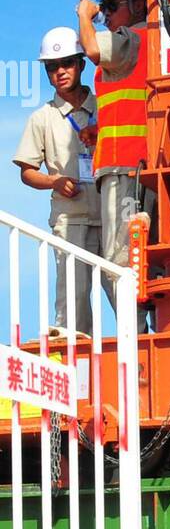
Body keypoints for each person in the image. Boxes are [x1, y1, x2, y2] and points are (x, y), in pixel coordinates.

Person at [76, 0, 151, 331]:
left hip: (126, 169)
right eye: (102, 9)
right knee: (135, 262)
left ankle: (134, 340)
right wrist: (98, 129)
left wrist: (83, 15)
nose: (105, 15)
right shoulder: (143, 43)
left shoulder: (133, 37)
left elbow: (91, 48)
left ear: (139, 5)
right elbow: (131, 104)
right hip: (129, 165)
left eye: (112, 6)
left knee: (118, 265)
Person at [13, 28, 100, 335]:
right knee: (73, 305)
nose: (60, 71)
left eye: (67, 63)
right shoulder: (42, 118)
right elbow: (26, 171)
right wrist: (53, 180)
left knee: (129, 296)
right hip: (70, 221)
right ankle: (79, 374)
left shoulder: (107, 106)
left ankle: (142, 363)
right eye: (52, 66)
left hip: (113, 215)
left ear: (81, 63)